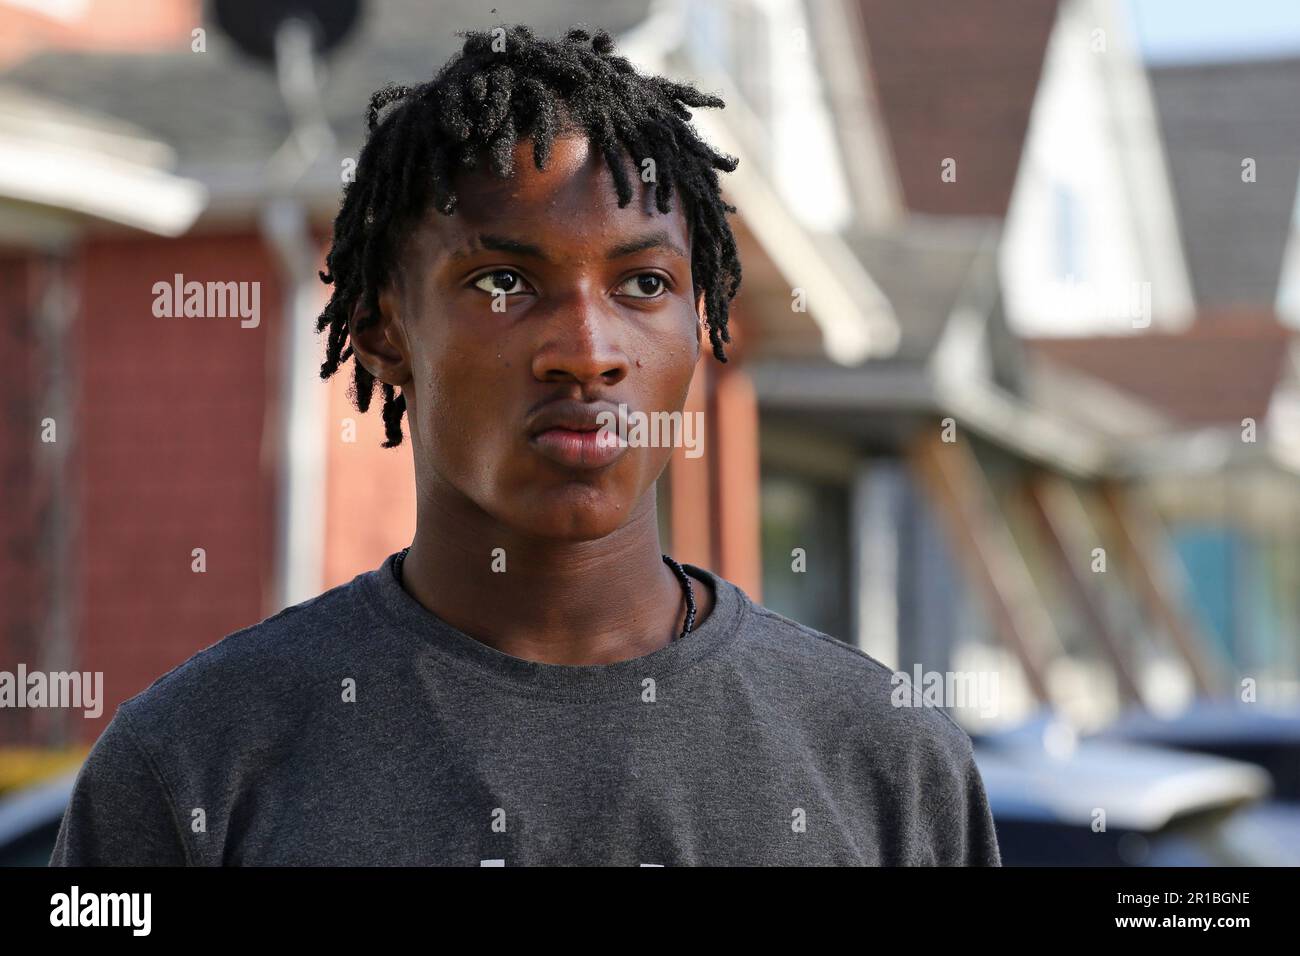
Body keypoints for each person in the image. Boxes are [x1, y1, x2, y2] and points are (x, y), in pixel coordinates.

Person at [50, 23, 1000, 866]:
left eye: (643, 285)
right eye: (505, 280)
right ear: (384, 332)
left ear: (700, 327)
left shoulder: (885, 760)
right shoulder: (195, 762)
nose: (586, 352)